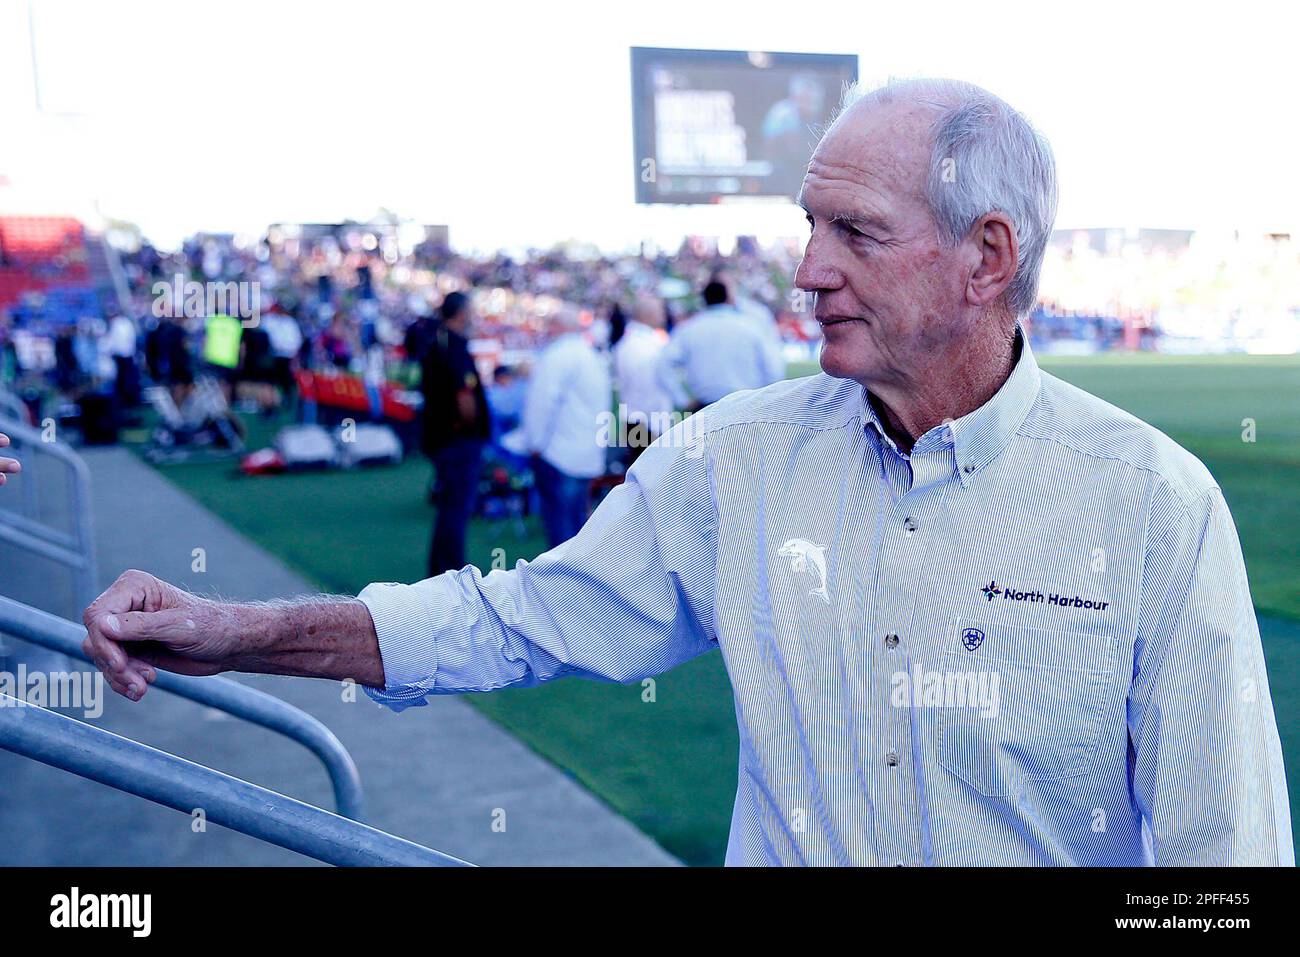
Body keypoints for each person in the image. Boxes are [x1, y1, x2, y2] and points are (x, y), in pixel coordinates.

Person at [83, 78, 1292, 867]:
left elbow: (1219, 865)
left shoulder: (1149, 506)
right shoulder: (737, 458)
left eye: (855, 232)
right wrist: (232, 629)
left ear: (987, 258)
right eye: (806, 224)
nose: (806, 269)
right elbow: (513, 619)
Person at [523, 306, 610, 548]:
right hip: (585, 453)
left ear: (558, 328)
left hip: (558, 454)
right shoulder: (592, 356)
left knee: (561, 536)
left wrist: (534, 444)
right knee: (578, 531)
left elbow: (540, 404)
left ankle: (562, 586)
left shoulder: (556, 356)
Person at [419, 291, 490, 576]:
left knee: (449, 506)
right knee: (457, 508)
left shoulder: (437, 342)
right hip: (457, 441)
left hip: (442, 439)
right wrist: (467, 429)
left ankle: (439, 570)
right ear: (461, 312)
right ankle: (452, 571)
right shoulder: (454, 347)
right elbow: (465, 398)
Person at [655, 280, 785, 412]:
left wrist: (683, 401)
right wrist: (764, 401)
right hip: (745, 406)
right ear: (728, 298)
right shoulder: (751, 327)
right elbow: (773, 368)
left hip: (705, 408)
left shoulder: (689, 329)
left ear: (704, 300)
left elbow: (663, 364)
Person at [611, 294, 673, 462]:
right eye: (660, 311)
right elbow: (648, 389)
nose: (664, 315)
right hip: (647, 424)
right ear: (648, 314)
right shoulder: (643, 347)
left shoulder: (630, 342)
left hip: (638, 421)